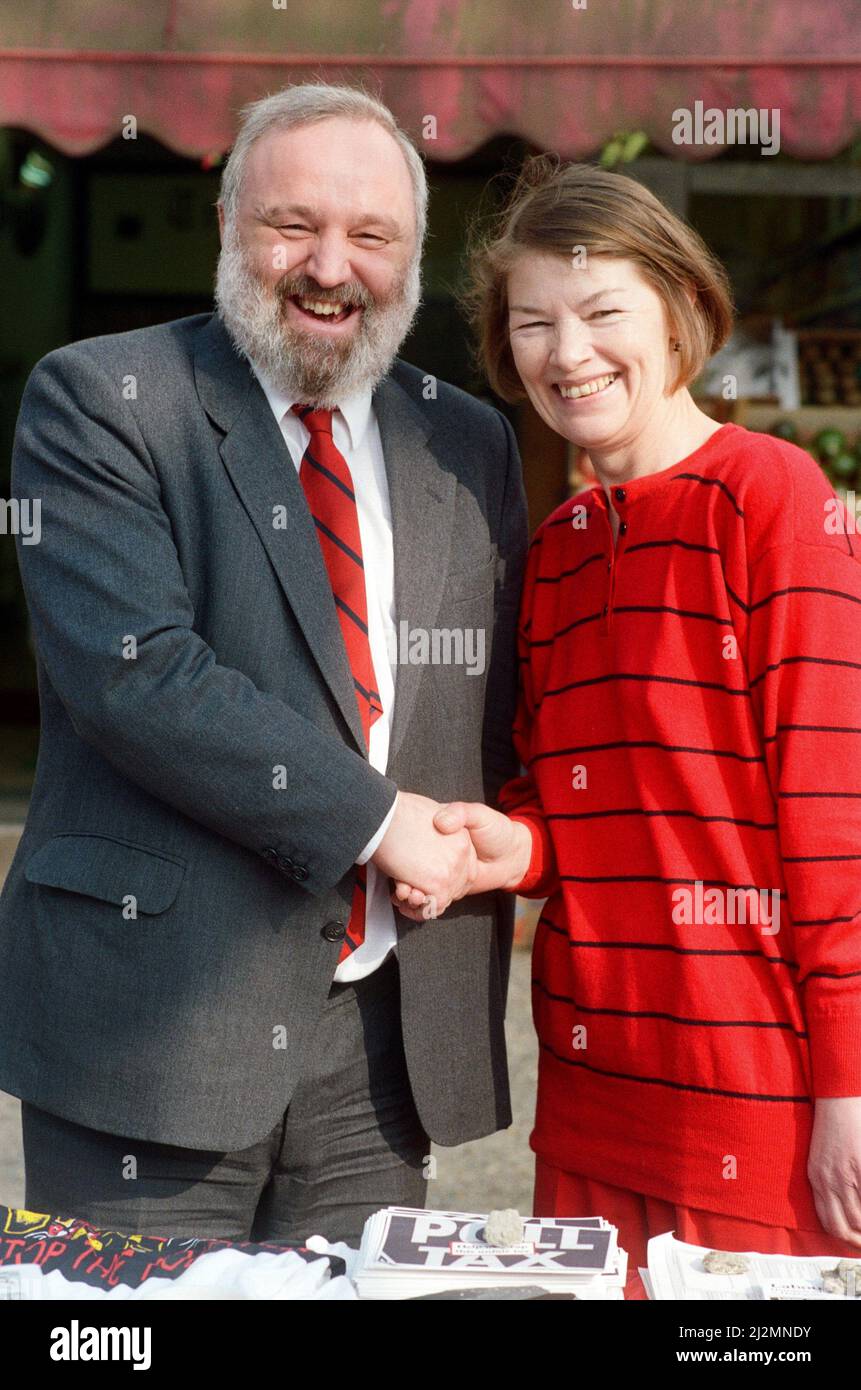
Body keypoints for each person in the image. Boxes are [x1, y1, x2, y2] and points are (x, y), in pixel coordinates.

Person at [0, 84, 528, 1247]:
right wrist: (381, 820)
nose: (330, 266)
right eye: (293, 224)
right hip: (151, 1028)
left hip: (383, 1049)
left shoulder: (467, 438)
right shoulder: (104, 401)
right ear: (231, 224)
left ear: (414, 256)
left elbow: (498, 705)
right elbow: (140, 674)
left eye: (372, 235)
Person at [394, 158, 861, 1296]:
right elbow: (594, 803)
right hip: (592, 1091)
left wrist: (849, 1090)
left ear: (683, 310)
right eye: (534, 322)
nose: (570, 351)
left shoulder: (778, 500)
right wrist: (526, 845)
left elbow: (835, 812)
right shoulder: (550, 548)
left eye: (603, 312)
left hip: (755, 1090)